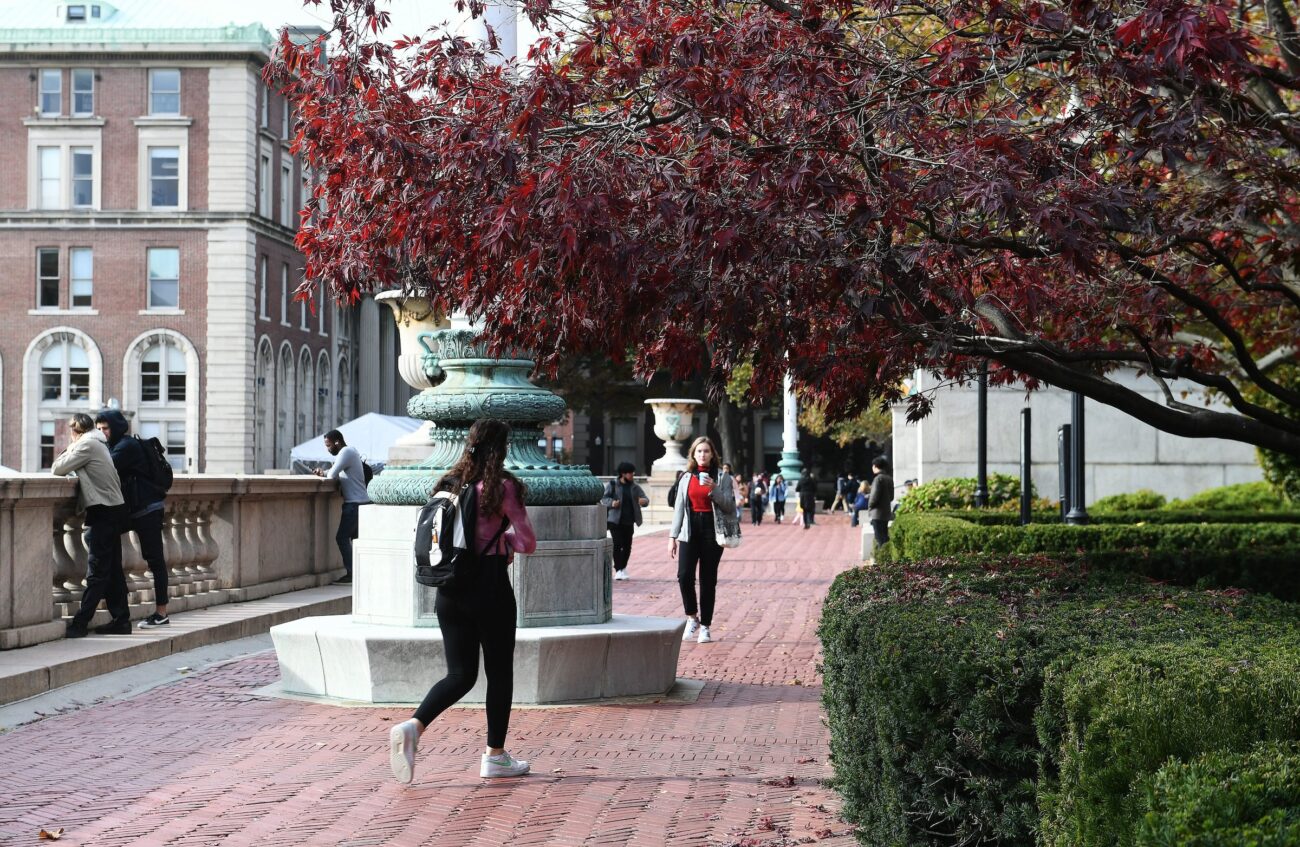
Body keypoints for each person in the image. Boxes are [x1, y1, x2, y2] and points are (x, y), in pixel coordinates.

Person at [388, 419, 538, 784]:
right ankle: (495, 756)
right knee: (499, 673)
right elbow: (527, 542)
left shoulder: (448, 483)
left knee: (459, 675)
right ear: (502, 449)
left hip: (449, 589)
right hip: (490, 588)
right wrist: (504, 542)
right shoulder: (502, 487)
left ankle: (414, 725)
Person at [52, 413, 129, 638]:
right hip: (113, 509)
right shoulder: (98, 443)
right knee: (112, 570)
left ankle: (80, 623)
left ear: (75, 432)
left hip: (103, 512)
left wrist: (71, 447)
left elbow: (57, 468)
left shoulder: (86, 445)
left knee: (97, 571)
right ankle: (121, 620)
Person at [95, 409, 171, 629]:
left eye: (105, 428)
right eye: (98, 429)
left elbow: (104, 470)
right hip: (133, 510)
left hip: (147, 509)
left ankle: (161, 613)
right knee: (106, 542)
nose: (102, 432)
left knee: (155, 560)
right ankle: (120, 614)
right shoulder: (114, 445)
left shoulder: (126, 446)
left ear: (116, 427)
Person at [669, 437, 736, 645]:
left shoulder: (722, 477)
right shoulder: (686, 477)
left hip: (712, 531)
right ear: (693, 454)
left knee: (708, 580)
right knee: (684, 576)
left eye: (706, 451)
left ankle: (706, 626)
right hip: (690, 530)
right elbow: (679, 508)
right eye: (699, 451)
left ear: (712, 454)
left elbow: (729, 506)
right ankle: (692, 617)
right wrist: (672, 537)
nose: (702, 454)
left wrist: (714, 488)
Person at [312, 429, 371, 584]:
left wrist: (326, 472)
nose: (328, 449)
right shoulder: (351, 451)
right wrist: (324, 472)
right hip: (361, 503)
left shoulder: (345, 452)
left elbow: (332, 475)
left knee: (342, 538)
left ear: (337, 442)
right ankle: (360, 573)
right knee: (355, 540)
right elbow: (336, 472)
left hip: (353, 504)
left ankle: (352, 574)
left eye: (328, 445)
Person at [601, 462, 648, 581]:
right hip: (615, 521)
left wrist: (644, 501)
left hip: (629, 521)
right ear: (623, 474)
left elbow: (645, 499)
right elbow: (604, 498)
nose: (632, 474)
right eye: (630, 473)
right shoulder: (612, 485)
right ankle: (618, 570)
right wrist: (612, 503)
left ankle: (623, 568)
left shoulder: (635, 487)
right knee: (617, 544)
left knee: (627, 546)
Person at [868, 458, 896, 549]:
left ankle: (882, 555)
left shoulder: (878, 479)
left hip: (877, 513)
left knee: (879, 538)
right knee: (884, 536)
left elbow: (874, 497)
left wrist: (870, 506)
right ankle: (886, 553)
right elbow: (891, 497)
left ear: (875, 466)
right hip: (886, 512)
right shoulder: (889, 478)